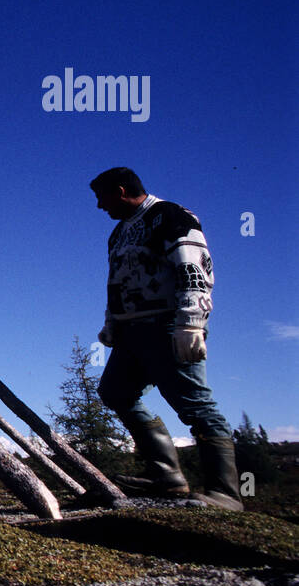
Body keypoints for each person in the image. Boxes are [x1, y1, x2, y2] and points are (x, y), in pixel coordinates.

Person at [90, 167, 242, 510]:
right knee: (115, 391)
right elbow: (118, 280)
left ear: (121, 189)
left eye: (102, 197)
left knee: (195, 403)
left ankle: (226, 493)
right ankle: (167, 477)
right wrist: (112, 321)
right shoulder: (118, 234)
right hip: (132, 330)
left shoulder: (169, 216)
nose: (100, 206)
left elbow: (193, 268)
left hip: (169, 325)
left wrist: (191, 322)